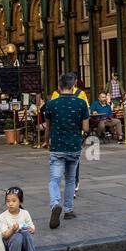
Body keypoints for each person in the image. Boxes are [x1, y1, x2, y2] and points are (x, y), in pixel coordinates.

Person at [42, 72, 89, 229]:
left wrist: (45, 141)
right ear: (74, 84)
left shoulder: (51, 104)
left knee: (54, 179)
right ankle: (68, 210)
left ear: (59, 86)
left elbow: (48, 127)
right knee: (70, 179)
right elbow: (85, 127)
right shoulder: (81, 103)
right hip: (74, 146)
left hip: (57, 147)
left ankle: (55, 203)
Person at [0, 186, 40, 251]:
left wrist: (31, 229)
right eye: (8, 201)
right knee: (17, 235)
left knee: (26, 234)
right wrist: (12, 229)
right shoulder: (3, 216)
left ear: (20, 201)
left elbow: (31, 226)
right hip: (9, 241)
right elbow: (4, 235)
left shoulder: (25, 213)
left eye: (14, 201)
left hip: (22, 241)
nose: (10, 204)